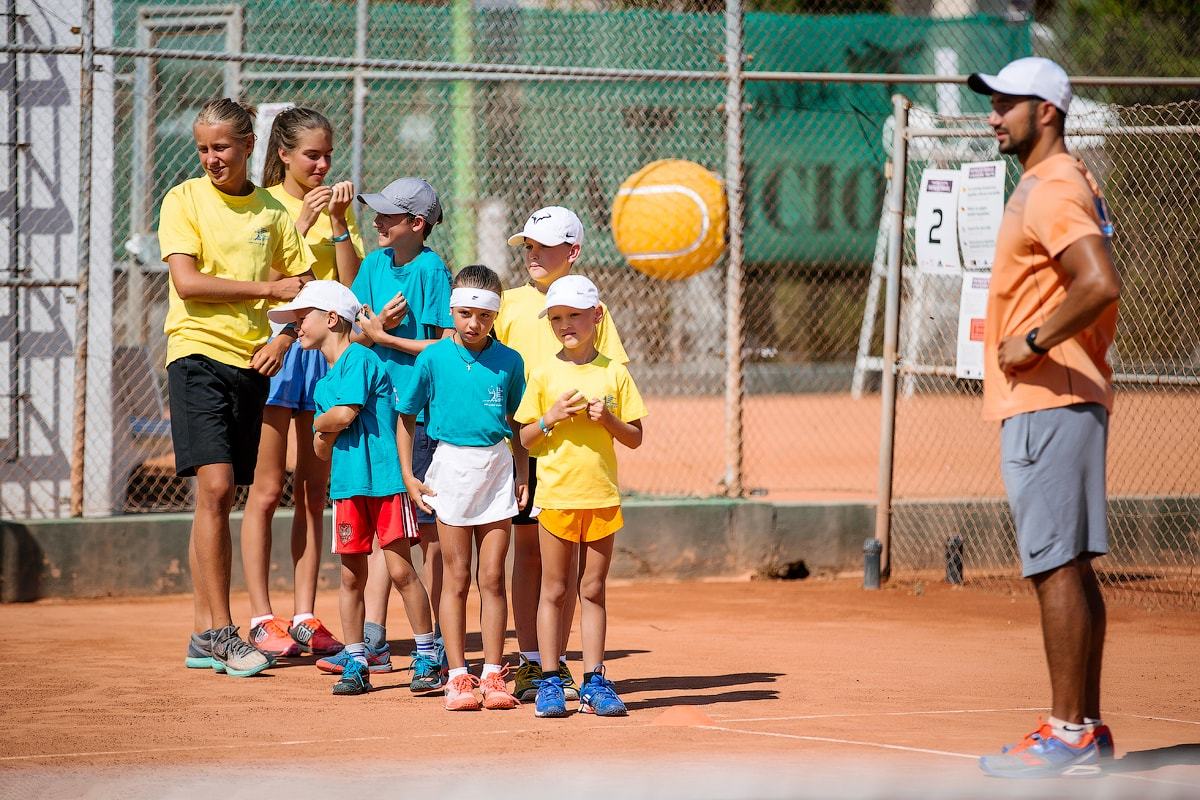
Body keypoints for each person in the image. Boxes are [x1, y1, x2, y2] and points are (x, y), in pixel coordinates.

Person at [967, 58, 1121, 778]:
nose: (994, 114)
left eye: (1007, 103)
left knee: (1055, 568)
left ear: (1047, 111)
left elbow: (1097, 282)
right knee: (1071, 568)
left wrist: (1030, 341)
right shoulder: (1060, 180)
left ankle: (1066, 736)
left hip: (1049, 395)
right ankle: (1083, 730)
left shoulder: (1053, 184)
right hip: (1065, 395)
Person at [160, 98, 315, 677]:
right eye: (202, 148)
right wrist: (265, 293)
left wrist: (285, 339)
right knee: (217, 487)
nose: (210, 158)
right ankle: (223, 631)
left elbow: (306, 288)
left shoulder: (272, 212)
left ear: (249, 146)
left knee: (223, 494)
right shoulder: (184, 199)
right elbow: (189, 282)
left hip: (253, 364)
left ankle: (204, 634)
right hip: (196, 355)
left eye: (221, 147)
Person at [316, 177, 451, 689]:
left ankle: (433, 642)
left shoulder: (433, 269)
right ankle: (370, 645)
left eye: (389, 217)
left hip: (414, 418)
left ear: (417, 225)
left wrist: (384, 336)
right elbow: (357, 320)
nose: (378, 221)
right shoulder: (374, 265)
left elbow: (443, 347)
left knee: (421, 539)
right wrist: (370, 332)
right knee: (376, 541)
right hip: (373, 418)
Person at [241, 106, 364, 660]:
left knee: (316, 496)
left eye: (328, 155)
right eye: (311, 155)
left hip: (322, 354)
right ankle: (262, 617)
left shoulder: (341, 210)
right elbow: (264, 281)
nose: (322, 165)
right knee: (267, 490)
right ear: (284, 155)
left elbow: (350, 283)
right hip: (277, 350)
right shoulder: (267, 206)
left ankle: (306, 615)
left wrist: (337, 224)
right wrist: (301, 225)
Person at [494, 206, 630, 702]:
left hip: (570, 460)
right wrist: (515, 456)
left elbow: (609, 375)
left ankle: (564, 668)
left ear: (572, 252)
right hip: (522, 446)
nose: (532, 254)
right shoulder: (506, 304)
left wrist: (600, 414)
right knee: (528, 556)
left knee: (570, 572)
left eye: (544, 246)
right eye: (527, 246)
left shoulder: (594, 309)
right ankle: (533, 663)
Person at [267, 280, 427, 696]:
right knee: (350, 576)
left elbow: (341, 416)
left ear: (332, 319)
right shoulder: (321, 383)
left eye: (303, 320)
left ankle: (428, 652)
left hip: (387, 483)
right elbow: (323, 448)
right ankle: (356, 659)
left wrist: (324, 424)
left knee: (399, 569)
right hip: (349, 489)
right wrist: (326, 425)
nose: (296, 328)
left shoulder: (360, 358)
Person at [398, 265, 529, 711]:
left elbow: (517, 423)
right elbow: (406, 417)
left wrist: (523, 473)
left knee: (491, 577)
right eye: (466, 313)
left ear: (495, 317)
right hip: (449, 469)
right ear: (452, 310)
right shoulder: (432, 357)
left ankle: (493, 674)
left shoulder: (510, 361)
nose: (474, 324)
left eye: (485, 317)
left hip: (497, 471)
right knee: (455, 577)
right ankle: (457, 676)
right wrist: (409, 477)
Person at [515, 275, 646, 718]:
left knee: (592, 588)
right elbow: (527, 438)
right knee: (553, 590)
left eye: (574, 315)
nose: (565, 324)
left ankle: (595, 679)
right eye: (556, 318)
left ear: (597, 316)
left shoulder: (615, 372)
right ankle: (551, 678)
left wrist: (607, 418)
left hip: (601, 497)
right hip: (556, 498)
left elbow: (634, 438)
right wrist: (550, 417)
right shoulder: (544, 373)